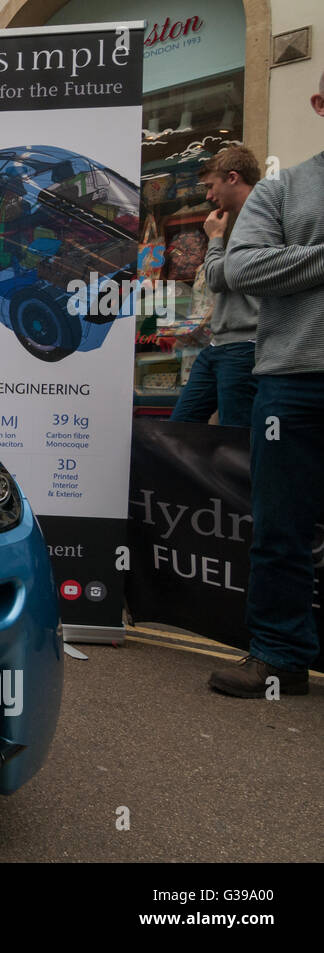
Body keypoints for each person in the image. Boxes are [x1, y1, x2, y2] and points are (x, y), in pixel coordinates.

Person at [208, 71, 324, 698]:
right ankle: (279, 656)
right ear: (319, 104)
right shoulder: (283, 186)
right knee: (280, 527)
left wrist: (301, 261)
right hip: (291, 382)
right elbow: (243, 265)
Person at [169, 146, 260, 427]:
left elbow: (218, 279)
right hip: (219, 344)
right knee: (181, 426)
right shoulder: (233, 219)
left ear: (233, 178)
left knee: (235, 436)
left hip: (244, 345)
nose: (208, 196)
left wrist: (216, 238)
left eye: (211, 186)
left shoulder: (260, 219)